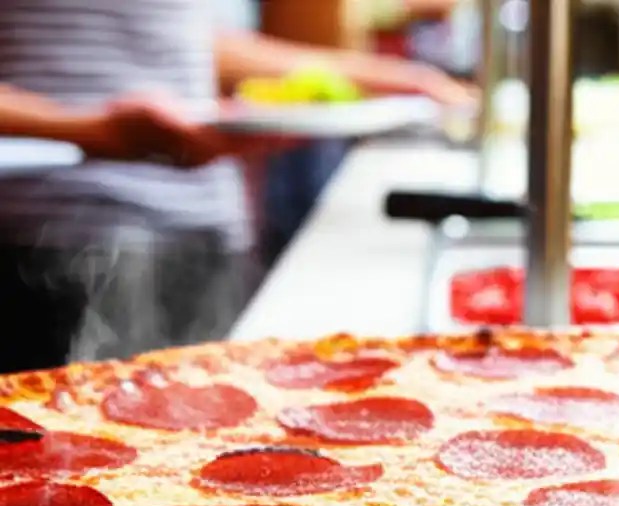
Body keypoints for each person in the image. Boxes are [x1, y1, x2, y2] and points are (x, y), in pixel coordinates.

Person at [0, 0, 469, 374]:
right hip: (63, 233)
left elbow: (184, 37)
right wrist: (85, 129)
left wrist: (388, 78)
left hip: (202, 230)